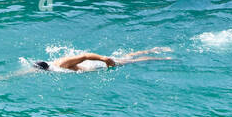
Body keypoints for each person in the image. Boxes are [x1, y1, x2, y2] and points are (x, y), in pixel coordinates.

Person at [31, 48, 174, 72]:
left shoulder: (61, 64)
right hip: (95, 63)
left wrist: (104, 59)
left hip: (97, 63)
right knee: (128, 56)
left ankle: (161, 58)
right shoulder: (55, 66)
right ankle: (154, 49)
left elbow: (85, 55)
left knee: (131, 61)